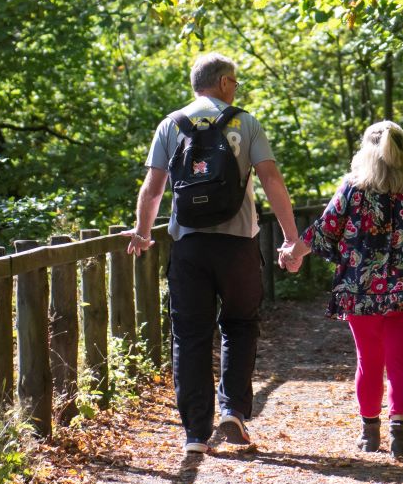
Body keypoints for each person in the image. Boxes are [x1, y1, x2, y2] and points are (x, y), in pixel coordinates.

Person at [126, 53, 304, 462]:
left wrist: (141, 232)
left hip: (188, 247)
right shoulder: (246, 123)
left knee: (189, 335)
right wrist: (291, 237)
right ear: (223, 82)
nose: (237, 88)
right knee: (240, 325)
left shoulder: (171, 125)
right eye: (235, 82)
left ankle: (194, 432)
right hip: (238, 244)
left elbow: (153, 189)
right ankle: (233, 410)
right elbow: (271, 180)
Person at [280, 120, 403, 461]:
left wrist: (293, 254)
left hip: (361, 292)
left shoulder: (353, 188)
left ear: (366, 150)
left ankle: (369, 433)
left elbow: (324, 229)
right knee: (402, 363)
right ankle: (399, 434)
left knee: (369, 360)